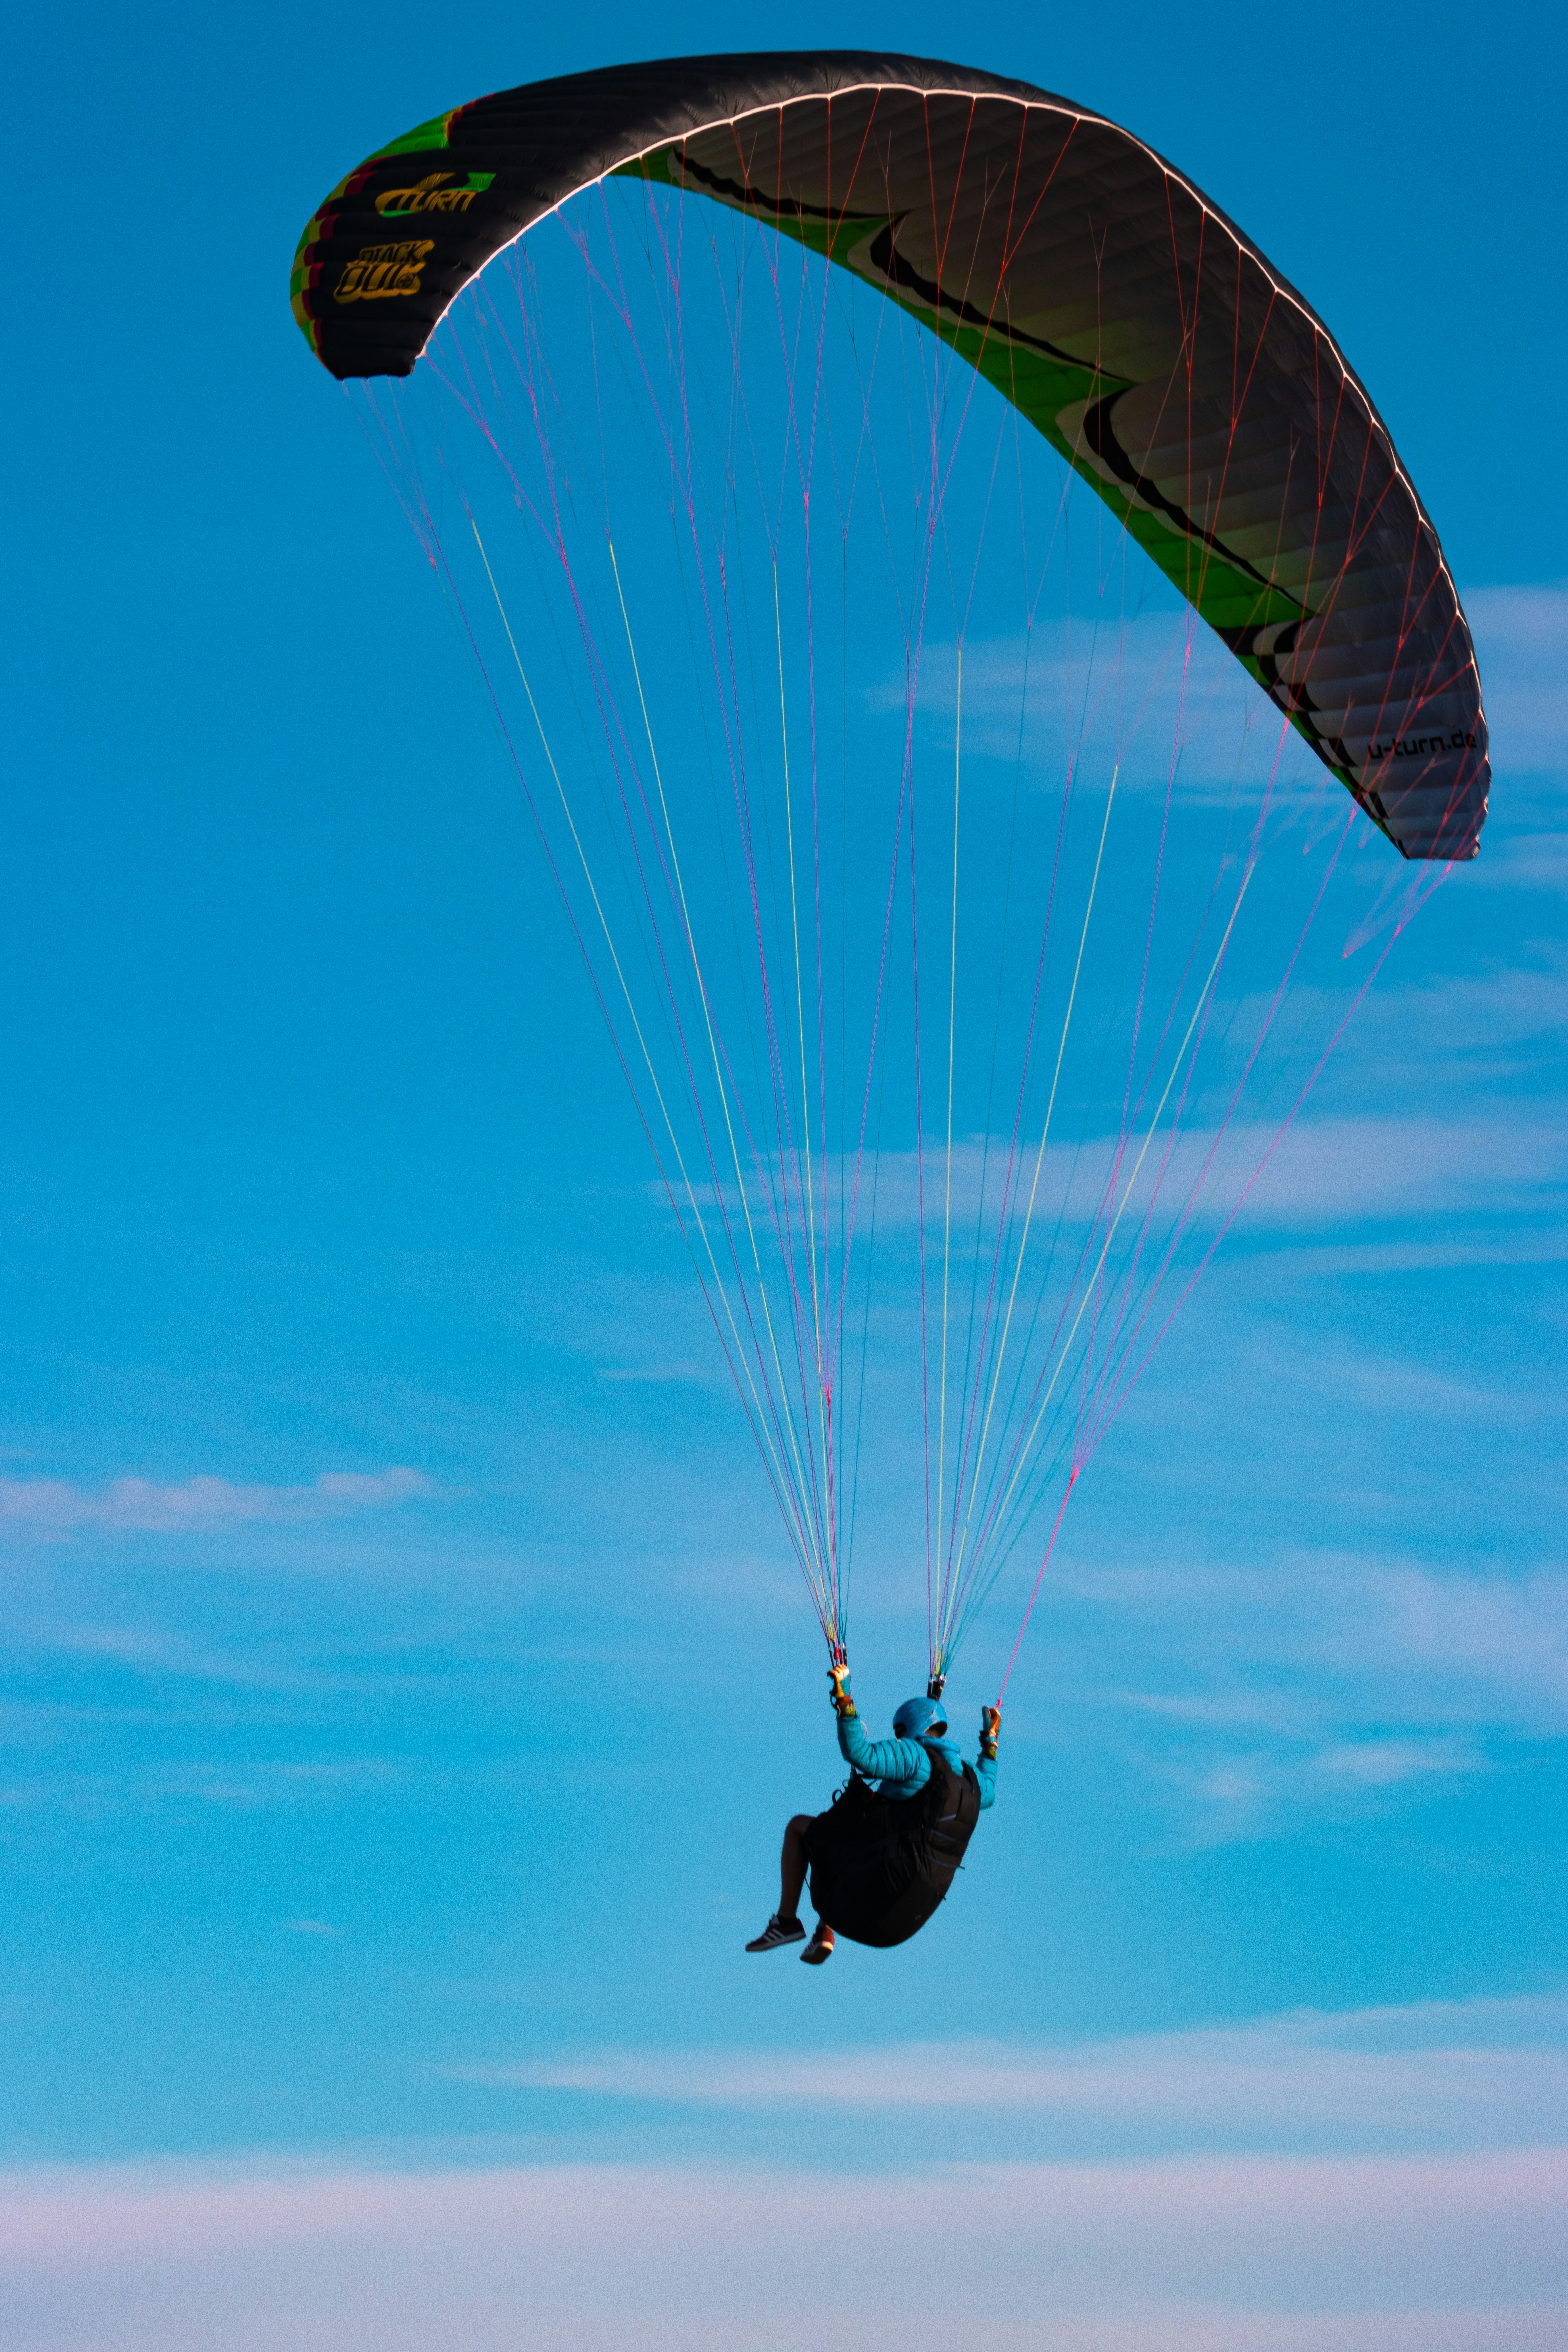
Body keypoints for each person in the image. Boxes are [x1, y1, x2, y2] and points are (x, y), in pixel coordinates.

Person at [746, 1665, 1001, 1963]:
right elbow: (991, 1791)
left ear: (908, 1729)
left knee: (800, 1828)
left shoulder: (914, 1756)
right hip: (907, 1916)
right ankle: (824, 1930)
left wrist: (845, 1703)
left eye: (899, 1732)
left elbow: (859, 1753)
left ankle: (786, 1921)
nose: (897, 1739)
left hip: (882, 1887)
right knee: (845, 1831)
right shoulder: (968, 1777)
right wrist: (990, 1742)